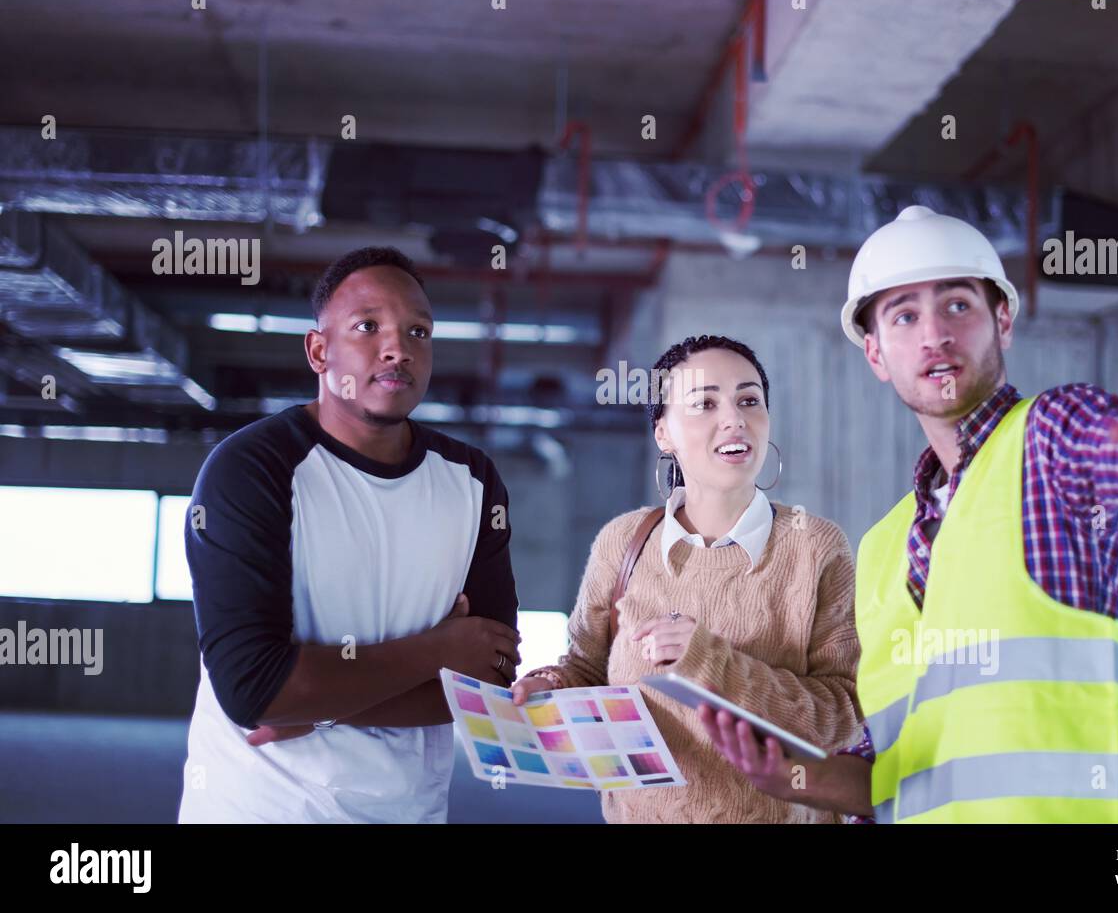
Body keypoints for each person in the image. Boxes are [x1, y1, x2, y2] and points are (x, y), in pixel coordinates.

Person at [702, 205, 1118, 823]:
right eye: (905, 316)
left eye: (957, 305)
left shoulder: (1050, 441)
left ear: (1003, 321)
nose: (934, 334)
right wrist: (792, 774)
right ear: (876, 354)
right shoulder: (881, 550)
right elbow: (898, 779)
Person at [178, 246, 521, 823]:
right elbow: (253, 692)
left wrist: (316, 708)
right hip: (261, 809)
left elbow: (489, 678)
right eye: (368, 327)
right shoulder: (253, 469)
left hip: (408, 812)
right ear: (319, 349)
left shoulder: (472, 479)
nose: (398, 348)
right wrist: (438, 650)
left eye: (419, 332)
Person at [512, 335, 861, 822]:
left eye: (748, 400)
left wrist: (708, 661)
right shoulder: (623, 541)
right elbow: (587, 669)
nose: (735, 418)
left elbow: (841, 718)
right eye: (704, 404)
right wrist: (549, 685)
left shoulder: (817, 546)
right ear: (664, 434)